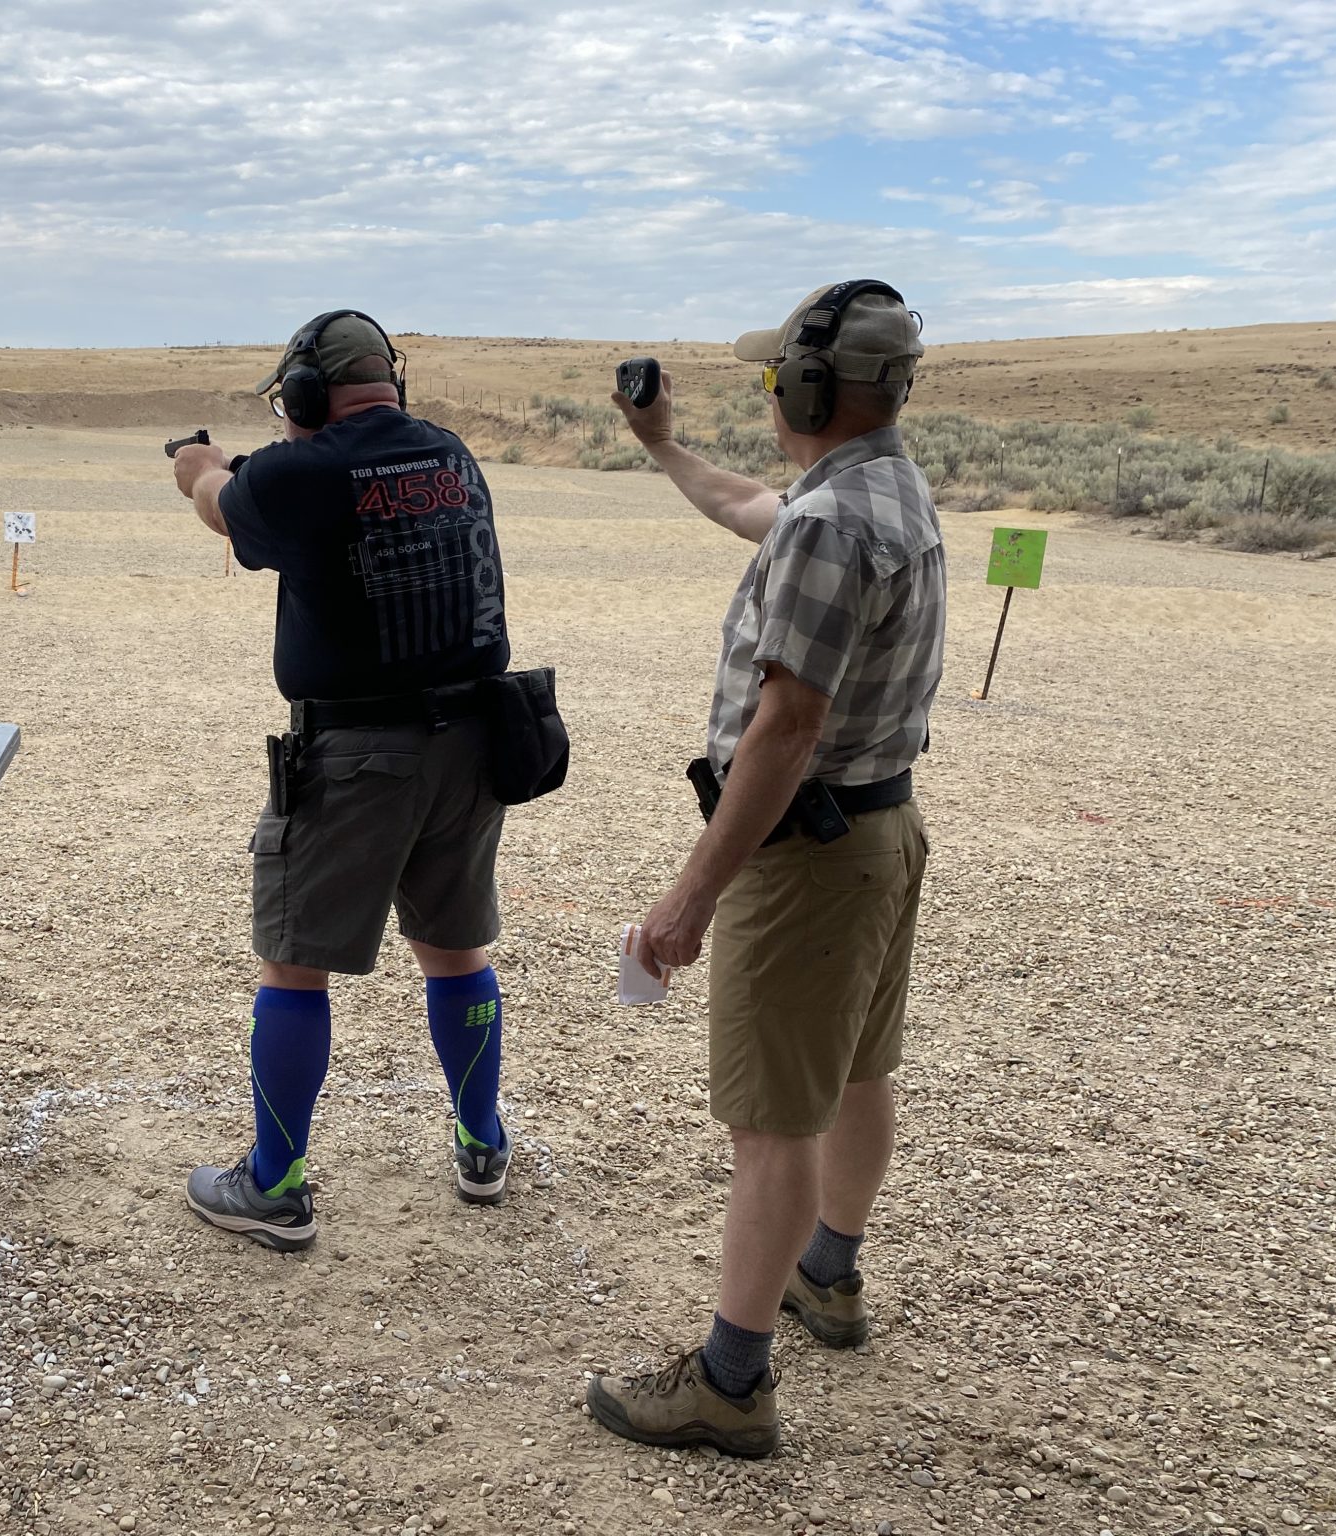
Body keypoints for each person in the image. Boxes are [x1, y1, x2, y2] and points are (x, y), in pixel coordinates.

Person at [585, 282, 945, 1456]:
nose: (768, 401)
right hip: (878, 834)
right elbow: (746, 502)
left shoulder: (830, 525)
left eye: (772, 381)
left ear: (805, 385)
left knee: (767, 1127)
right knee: (851, 1072)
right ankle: (825, 1275)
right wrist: (661, 448)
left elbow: (784, 730)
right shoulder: (877, 490)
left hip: (804, 859)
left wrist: (688, 895)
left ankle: (730, 1381)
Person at [169, 309, 518, 1251]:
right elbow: (329, 490)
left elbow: (222, 502)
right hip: (475, 743)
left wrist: (200, 467)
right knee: (455, 949)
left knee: (294, 962)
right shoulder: (447, 453)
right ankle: (482, 1144)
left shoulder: (300, 472)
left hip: (360, 754)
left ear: (308, 397)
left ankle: (274, 1184)